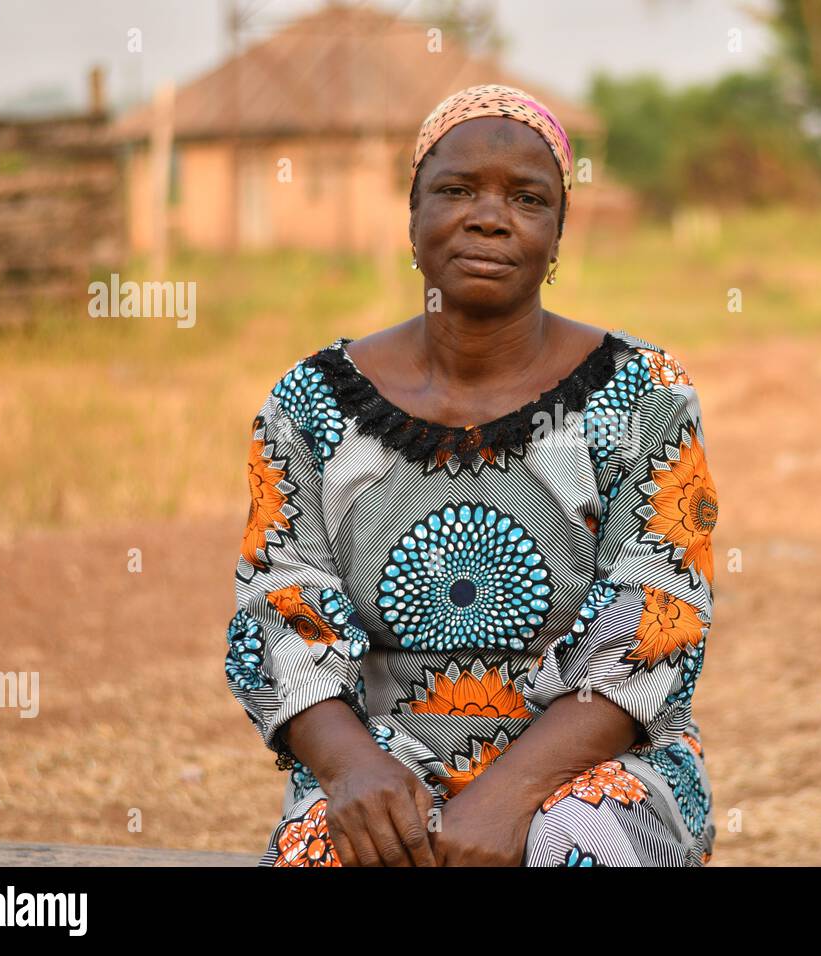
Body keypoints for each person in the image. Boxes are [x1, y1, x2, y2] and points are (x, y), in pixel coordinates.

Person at [225, 83, 719, 866]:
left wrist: (509, 796)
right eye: (456, 190)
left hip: (597, 769)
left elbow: (656, 625)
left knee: (574, 844)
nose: (489, 216)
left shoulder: (644, 394)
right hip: (383, 767)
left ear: (559, 236)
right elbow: (280, 614)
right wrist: (354, 769)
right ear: (412, 219)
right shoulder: (311, 403)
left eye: (528, 198)